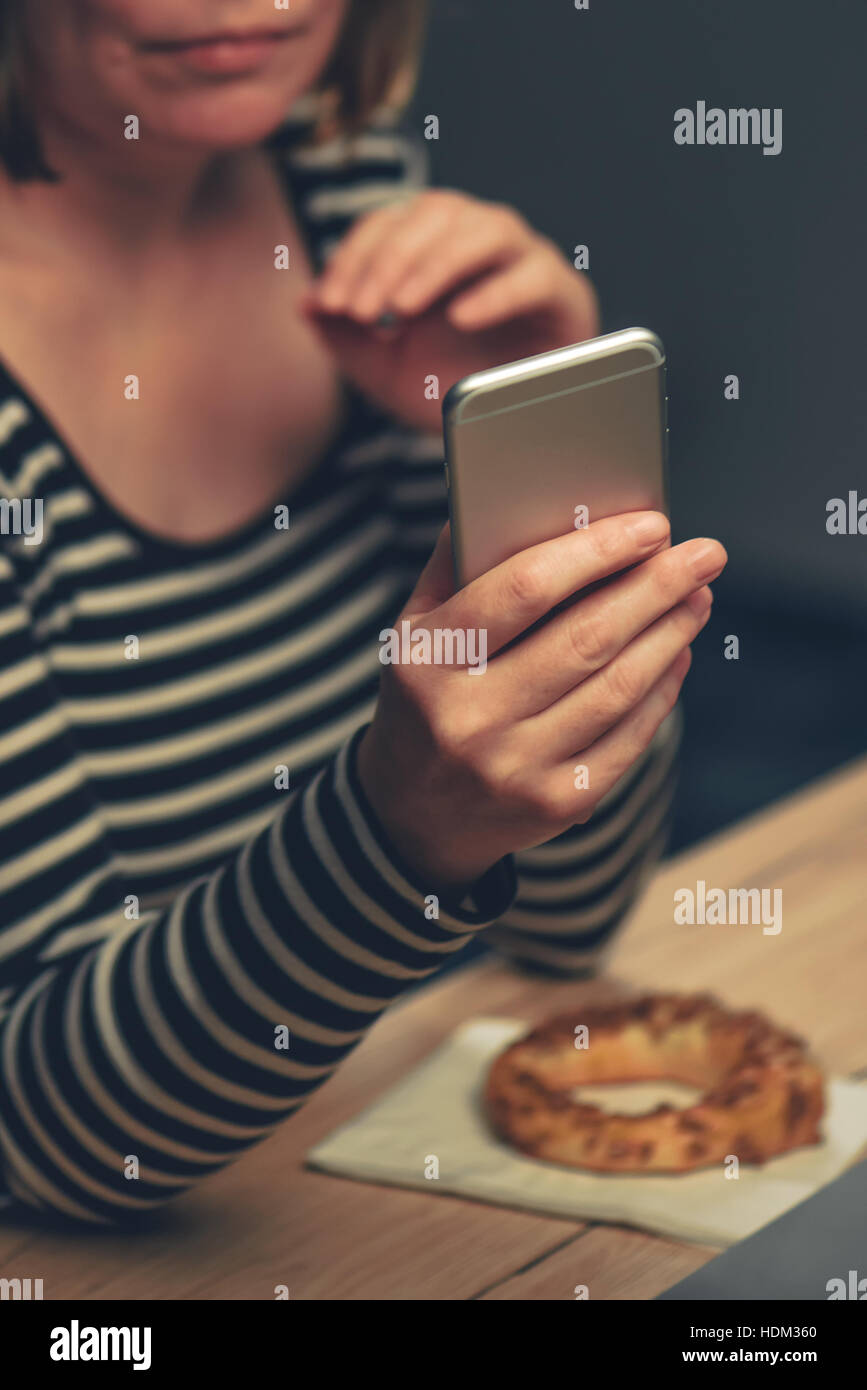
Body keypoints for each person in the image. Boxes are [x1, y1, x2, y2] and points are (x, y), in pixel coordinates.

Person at [0, 0, 726, 1223]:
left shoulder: (339, 182)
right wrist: (397, 835)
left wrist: (558, 476)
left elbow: (568, 921)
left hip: (383, 1161)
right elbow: (46, 1144)